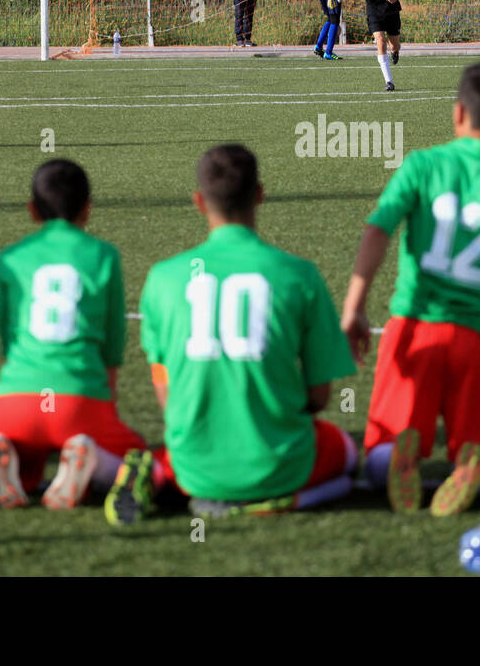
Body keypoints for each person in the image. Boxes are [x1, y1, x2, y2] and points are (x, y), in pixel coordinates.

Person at [342, 60, 480, 516]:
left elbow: (378, 229)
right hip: (479, 339)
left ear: (458, 112)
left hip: (414, 329)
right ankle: (469, 462)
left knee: (378, 460)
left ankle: (400, 454)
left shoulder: (422, 165)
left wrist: (354, 307)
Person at [105, 144, 358, 524]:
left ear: (198, 201)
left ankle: (158, 472)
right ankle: (273, 501)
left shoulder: (163, 278)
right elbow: (318, 397)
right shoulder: (299, 275)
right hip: (278, 463)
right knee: (349, 455)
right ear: (259, 194)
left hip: (195, 464)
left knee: (190, 444)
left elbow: (166, 392)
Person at [0, 159, 145, 510]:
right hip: (78, 401)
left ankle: (14, 460)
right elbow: (112, 344)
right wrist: (106, 405)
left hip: (15, 401)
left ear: (31, 211)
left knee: (25, 452)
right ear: (87, 209)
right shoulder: (103, 255)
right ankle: (84, 459)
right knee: (144, 463)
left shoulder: (12, 257)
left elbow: (8, 338)